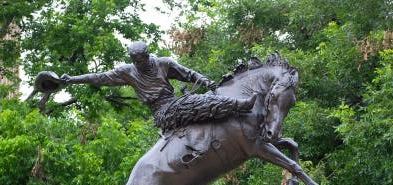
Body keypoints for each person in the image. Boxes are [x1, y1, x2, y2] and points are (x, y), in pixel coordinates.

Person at [35, 42, 256, 132]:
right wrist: (72, 79)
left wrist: (206, 81)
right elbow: (100, 77)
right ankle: (240, 105)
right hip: (163, 113)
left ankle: (229, 108)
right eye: (133, 60)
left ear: (147, 56)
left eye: (139, 60)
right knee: (198, 102)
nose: (136, 64)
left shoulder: (164, 64)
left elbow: (188, 74)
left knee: (202, 98)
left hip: (174, 103)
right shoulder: (127, 72)